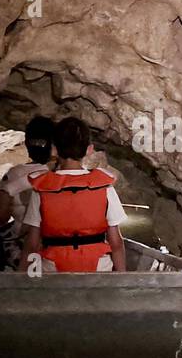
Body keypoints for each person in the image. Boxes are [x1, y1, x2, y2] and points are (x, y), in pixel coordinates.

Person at [21, 117, 127, 272]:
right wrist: (122, 280)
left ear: (54, 149)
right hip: (99, 269)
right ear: (89, 150)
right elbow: (116, 243)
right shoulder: (104, 187)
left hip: (53, 270)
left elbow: (32, 244)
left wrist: (22, 281)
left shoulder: (42, 188)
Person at [0, 115, 53, 269]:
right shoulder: (61, 174)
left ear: (27, 145)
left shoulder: (12, 175)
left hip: (20, 246)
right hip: (55, 247)